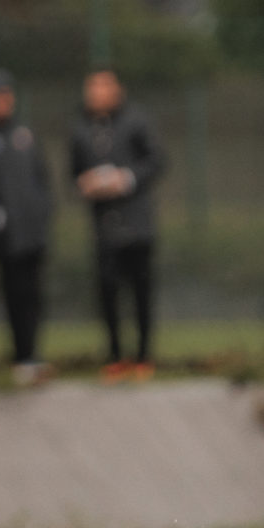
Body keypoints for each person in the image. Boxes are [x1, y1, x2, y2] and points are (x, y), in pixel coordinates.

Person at [70, 68, 163, 378]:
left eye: (103, 85)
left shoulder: (136, 121)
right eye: (92, 85)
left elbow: (157, 160)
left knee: (140, 290)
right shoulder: (81, 129)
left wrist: (126, 178)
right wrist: (86, 184)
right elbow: (73, 174)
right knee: (107, 290)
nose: (97, 91)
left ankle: (143, 357)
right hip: (104, 226)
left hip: (137, 224)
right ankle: (115, 356)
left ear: (117, 89)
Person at [0, 69, 56, 383]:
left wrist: (44, 212)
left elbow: (42, 179)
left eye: (8, 97)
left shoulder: (25, 134)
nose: (4, 103)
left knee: (35, 294)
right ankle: (21, 355)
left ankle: (33, 353)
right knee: (13, 293)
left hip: (34, 231)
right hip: (6, 236)